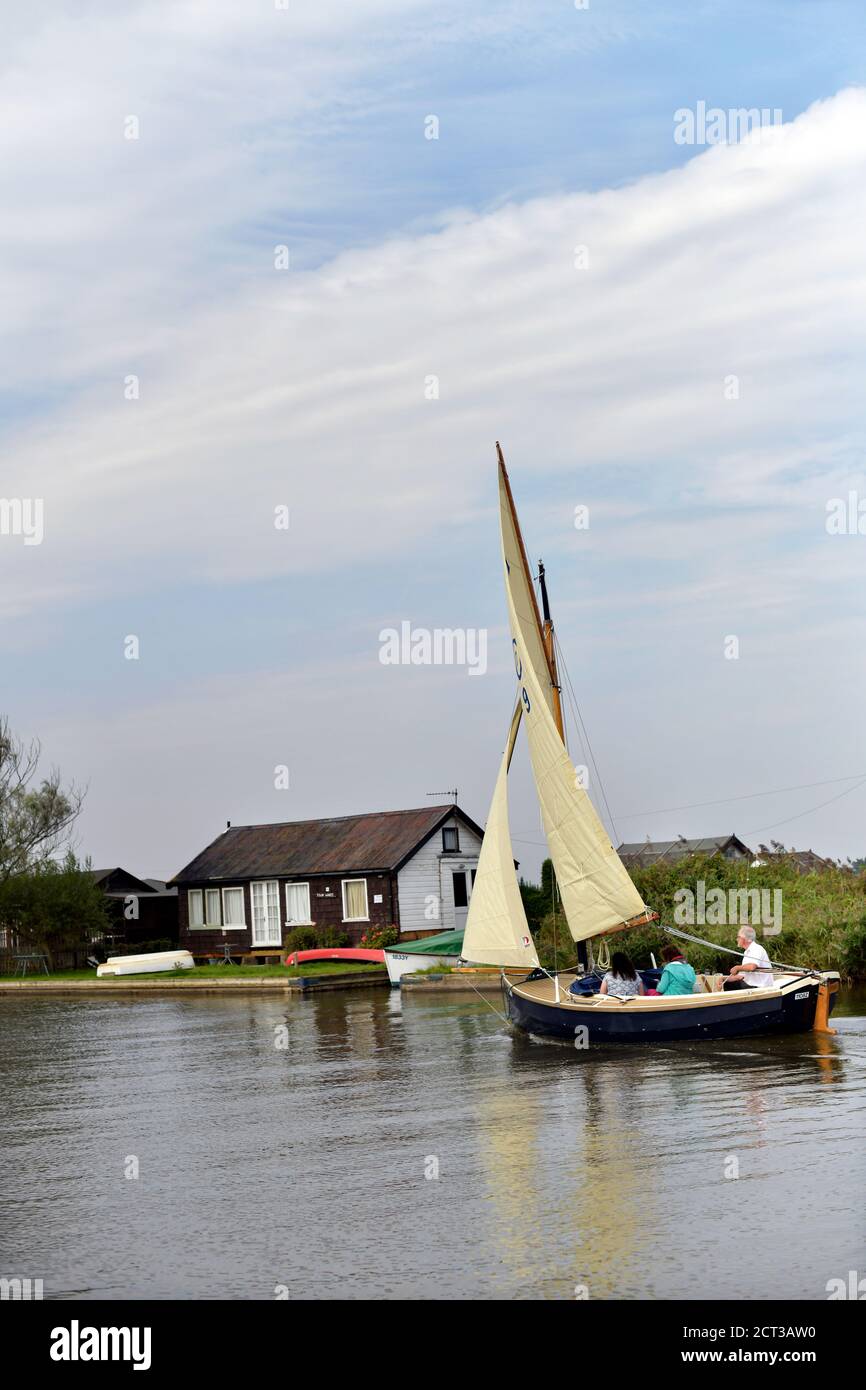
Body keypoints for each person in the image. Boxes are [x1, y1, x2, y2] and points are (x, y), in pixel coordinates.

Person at [721, 926, 774, 990]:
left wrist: (737, 967)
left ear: (745, 938)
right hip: (752, 987)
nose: (737, 939)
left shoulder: (756, 948)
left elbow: (752, 967)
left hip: (761, 989)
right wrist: (723, 979)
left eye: (738, 937)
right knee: (729, 986)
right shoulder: (747, 952)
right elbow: (741, 976)